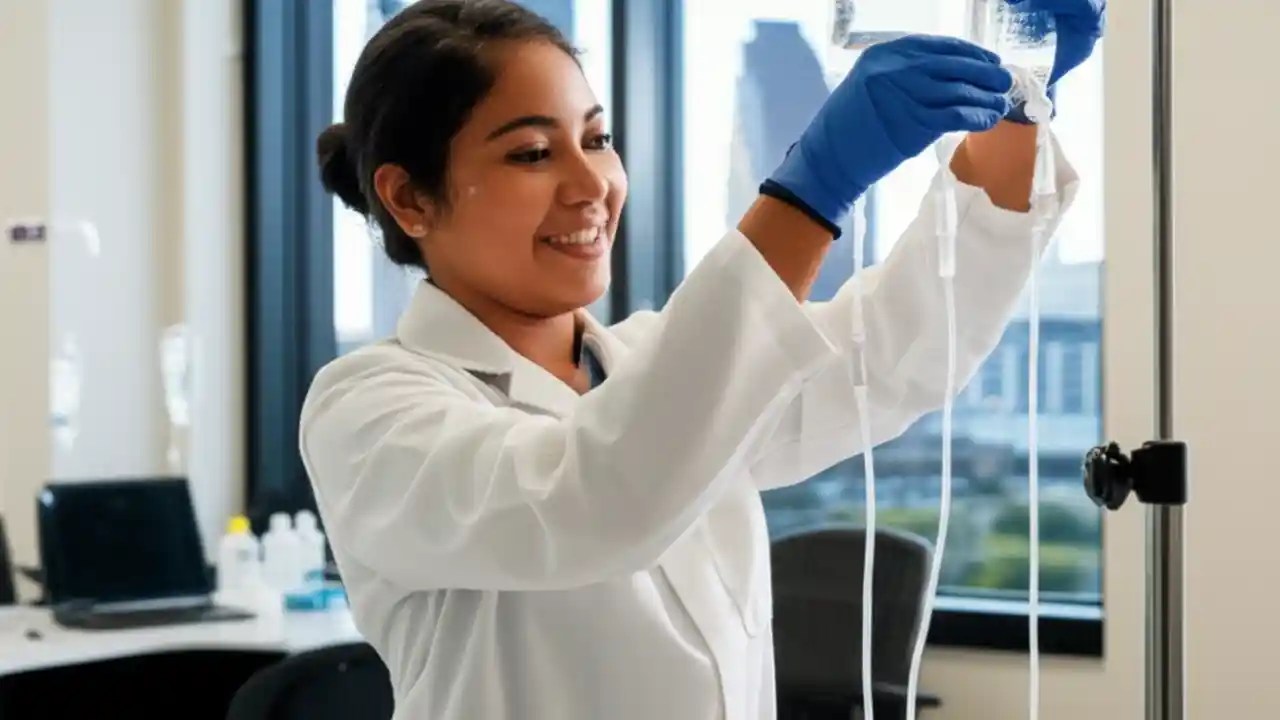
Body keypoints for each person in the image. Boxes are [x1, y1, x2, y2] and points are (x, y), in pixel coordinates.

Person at [300, 1, 1105, 718]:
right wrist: (809, 193)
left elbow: (896, 353)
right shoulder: (369, 410)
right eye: (532, 154)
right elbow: (594, 497)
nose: (593, 185)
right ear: (409, 199)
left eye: (597, 139)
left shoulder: (650, 363)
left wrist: (1016, 100)